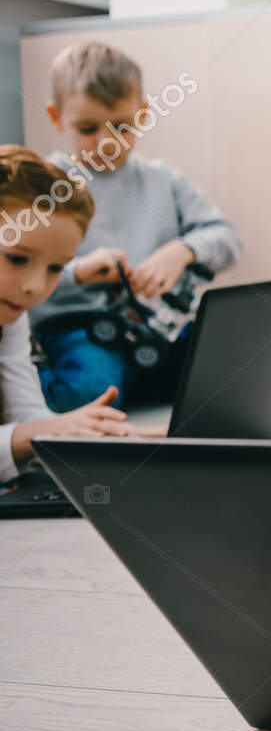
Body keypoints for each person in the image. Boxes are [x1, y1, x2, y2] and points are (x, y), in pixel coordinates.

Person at [31, 42, 242, 411]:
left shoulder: (162, 180)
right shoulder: (44, 185)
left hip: (157, 324)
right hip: (80, 326)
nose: (106, 142)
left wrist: (182, 251)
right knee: (89, 388)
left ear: (143, 115)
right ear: (56, 118)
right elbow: (20, 271)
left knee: (233, 372)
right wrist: (77, 273)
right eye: (87, 128)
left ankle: (132, 383)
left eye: (121, 127)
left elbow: (226, 238)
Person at [0, 146, 163, 486]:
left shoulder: (11, 316)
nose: (35, 286)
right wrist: (32, 434)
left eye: (56, 268)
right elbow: (26, 433)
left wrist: (96, 435)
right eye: (16, 258)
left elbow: (28, 417)